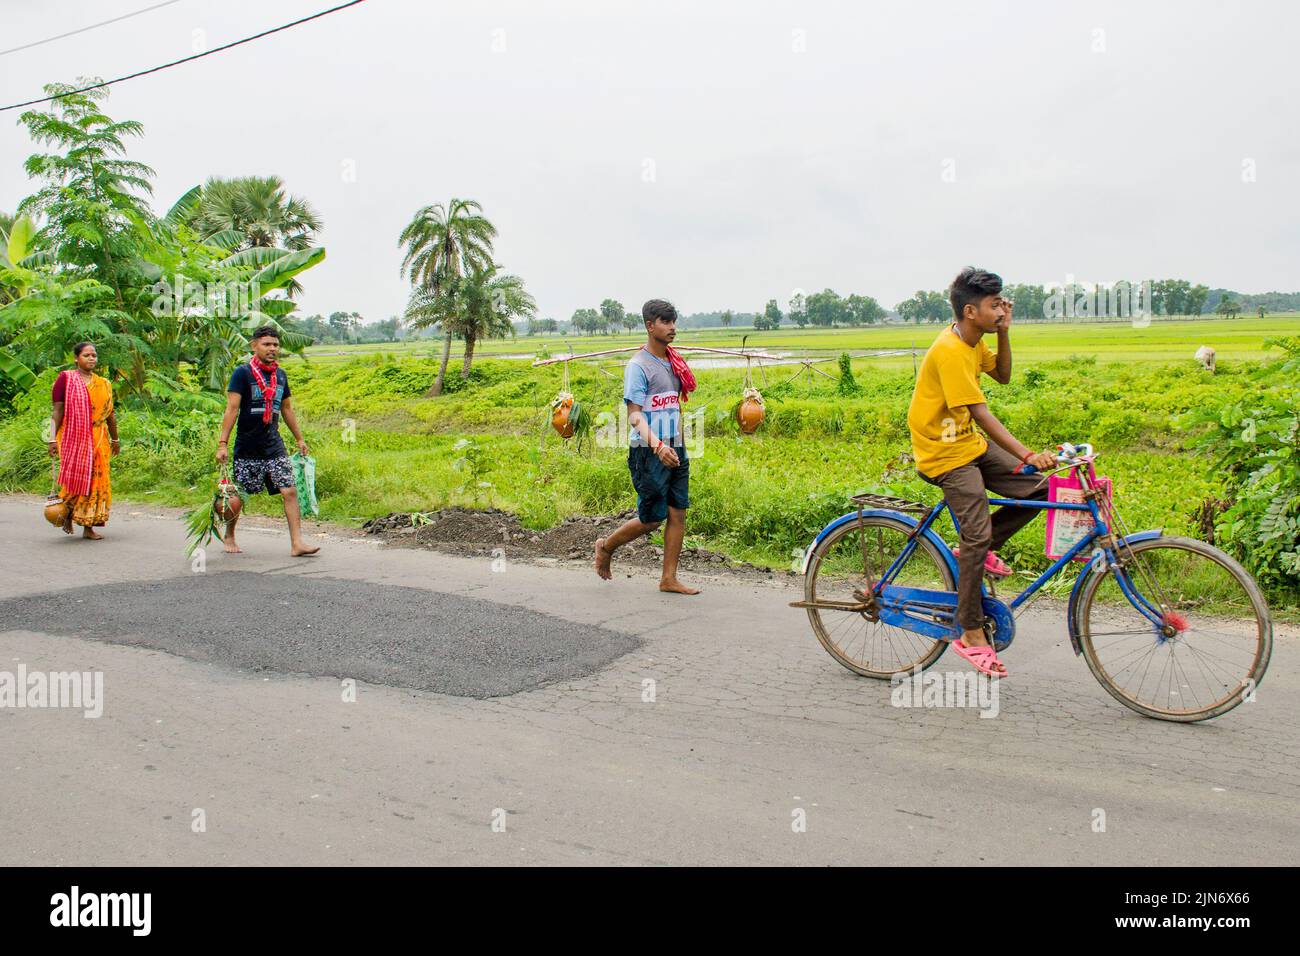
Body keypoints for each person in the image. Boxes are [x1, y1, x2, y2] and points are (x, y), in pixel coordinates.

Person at [907, 267, 1057, 677]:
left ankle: (976, 552)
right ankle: (970, 632)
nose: (1001, 309)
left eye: (1002, 304)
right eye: (995, 306)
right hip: (944, 452)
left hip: (968, 443)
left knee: (1041, 488)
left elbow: (1003, 377)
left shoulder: (973, 341)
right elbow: (981, 411)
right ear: (971, 311)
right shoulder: (951, 351)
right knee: (977, 533)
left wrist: (1005, 331)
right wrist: (1027, 452)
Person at [594, 299, 699, 595]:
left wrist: (675, 443)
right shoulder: (638, 366)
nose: (672, 327)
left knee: (678, 512)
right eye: (665, 322)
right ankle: (606, 546)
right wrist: (657, 447)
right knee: (653, 518)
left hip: (676, 447)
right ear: (649, 326)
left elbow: (673, 404)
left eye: (674, 321)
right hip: (648, 450)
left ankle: (668, 579)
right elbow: (634, 415)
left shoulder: (673, 361)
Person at [215, 326, 319, 557]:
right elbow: (232, 409)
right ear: (254, 346)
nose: (272, 349)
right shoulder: (242, 373)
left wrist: (299, 438)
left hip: (274, 444)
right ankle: (230, 534)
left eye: (275, 345)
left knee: (289, 490)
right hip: (247, 445)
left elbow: (287, 409)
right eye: (266, 344)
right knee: (238, 497)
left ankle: (297, 543)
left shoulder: (280, 375)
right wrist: (223, 443)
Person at [48, 342, 119, 539]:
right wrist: (51, 439)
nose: (91, 358)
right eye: (86, 355)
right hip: (73, 437)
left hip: (99, 438)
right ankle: (68, 514)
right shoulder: (66, 379)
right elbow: (57, 411)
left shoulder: (104, 383)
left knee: (96, 480)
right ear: (76, 358)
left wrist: (116, 439)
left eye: (94, 355)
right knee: (76, 480)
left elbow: (110, 414)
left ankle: (89, 526)